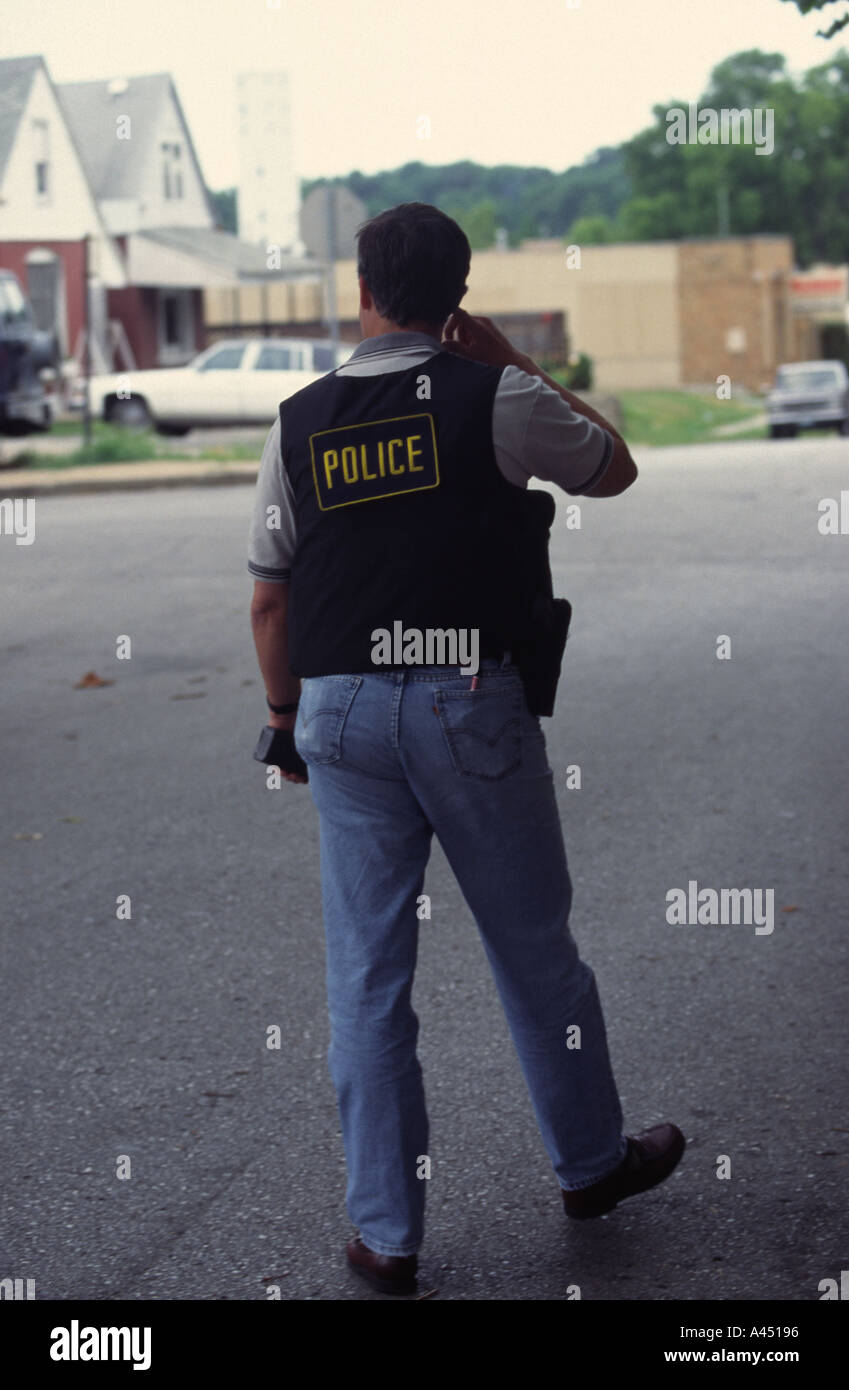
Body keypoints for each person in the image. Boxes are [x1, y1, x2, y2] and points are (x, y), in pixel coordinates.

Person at [247, 202, 684, 1298]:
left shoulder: (297, 421)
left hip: (339, 709)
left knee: (366, 981)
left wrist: (280, 717)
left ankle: (386, 1238)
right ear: (460, 295)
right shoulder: (497, 397)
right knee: (536, 951)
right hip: (464, 694)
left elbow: (269, 595)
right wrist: (514, 360)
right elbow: (614, 469)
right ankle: (589, 1167)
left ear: (362, 291)